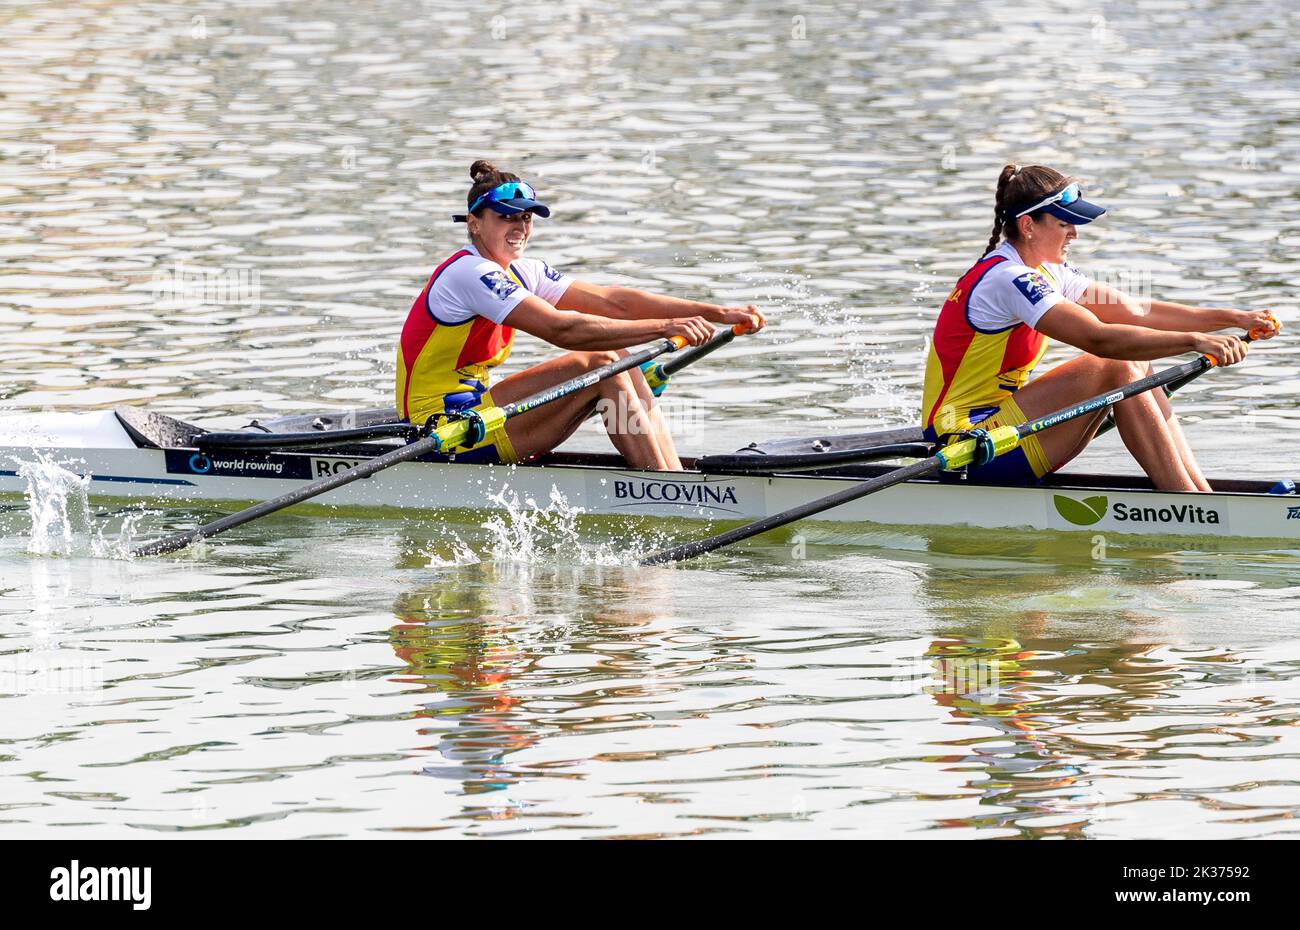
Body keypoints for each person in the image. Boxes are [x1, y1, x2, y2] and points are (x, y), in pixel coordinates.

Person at [920, 163, 1278, 490]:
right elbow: (1099, 338)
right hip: (966, 445)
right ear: (1028, 226)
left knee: (1136, 362)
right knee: (1116, 363)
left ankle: (1199, 494)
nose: (1075, 233)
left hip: (1005, 431)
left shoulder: (1049, 271)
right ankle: (1187, 501)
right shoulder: (1008, 278)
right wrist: (1196, 341)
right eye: (1064, 223)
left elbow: (1135, 310)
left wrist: (1233, 318)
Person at [396, 160, 765, 470]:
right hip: (440, 432)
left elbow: (614, 304)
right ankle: (667, 493)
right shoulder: (469, 274)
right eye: (505, 217)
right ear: (474, 223)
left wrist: (715, 312)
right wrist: (667, 328)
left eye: (526, 217)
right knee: (602, 362)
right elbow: (565, 330)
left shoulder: (523, 270)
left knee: (620, 359)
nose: (520, 227)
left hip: (476, 415)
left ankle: (672, 476)